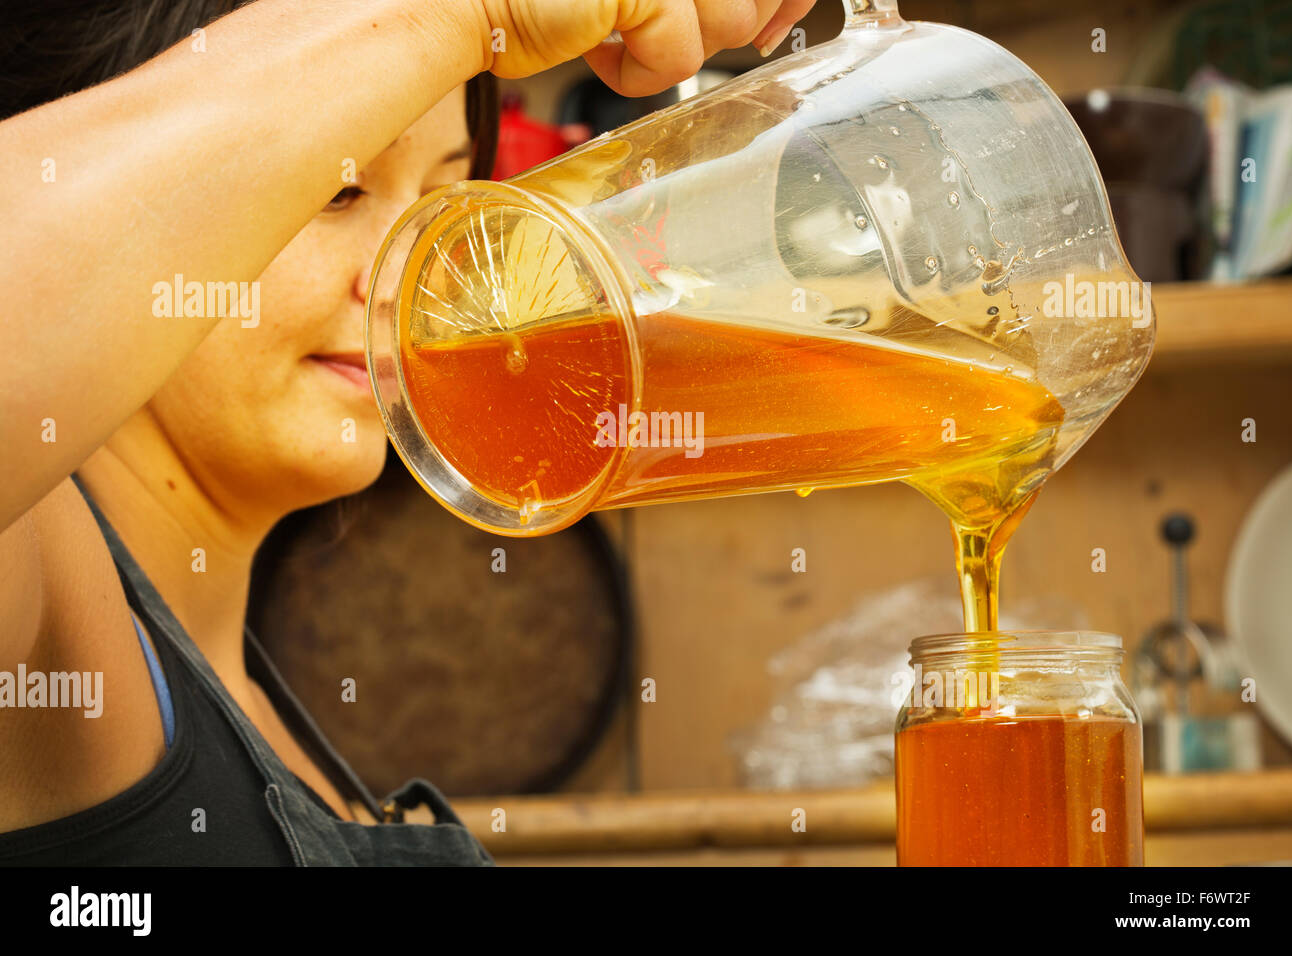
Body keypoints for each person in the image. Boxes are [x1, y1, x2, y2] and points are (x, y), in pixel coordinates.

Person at [0, 0, 814, 864]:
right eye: (334, 190)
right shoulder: (39, 595)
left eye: (440, 198)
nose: (409, 283)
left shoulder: (249, 696)